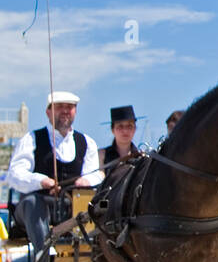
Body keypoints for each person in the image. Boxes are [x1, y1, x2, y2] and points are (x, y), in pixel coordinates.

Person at [7, 91, 103, 250]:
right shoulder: (31, 139)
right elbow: (15, 175)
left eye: (70, 107)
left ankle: (92, 257)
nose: (65, 111)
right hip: (35, 208)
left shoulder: (87, 143)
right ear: (48, 112)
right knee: (33, 203)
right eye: (60, 107)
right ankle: (43, 258)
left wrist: (87, 180)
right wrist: (41, 181)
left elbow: (96, 174)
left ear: (75, 111)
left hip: (70, 208)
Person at [98, 105, 141, 172]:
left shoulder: (141, 156)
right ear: (112, 130)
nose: (125, 131)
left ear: (135, 129)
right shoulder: (101, 155)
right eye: (120, 126)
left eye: (129, 126)